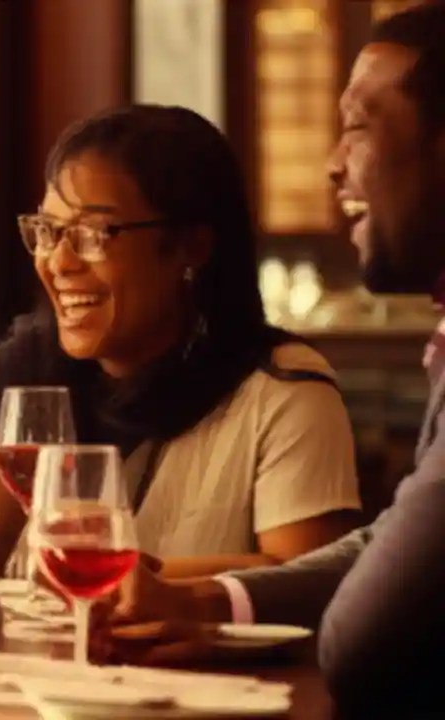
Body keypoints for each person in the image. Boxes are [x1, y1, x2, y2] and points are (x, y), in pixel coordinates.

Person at [112, 5, 445, 714]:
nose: (331, 163)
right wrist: (208, 604)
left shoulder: (285, 380)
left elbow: (367, 642)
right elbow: (391, 545)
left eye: (357, 126)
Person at [0, 105, 361, 578]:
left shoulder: (283, 392)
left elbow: (306, 582)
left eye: (93, 233)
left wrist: (120, 580)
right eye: (48, 232)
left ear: (191, 247)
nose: (59, 261)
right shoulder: (29, 378)